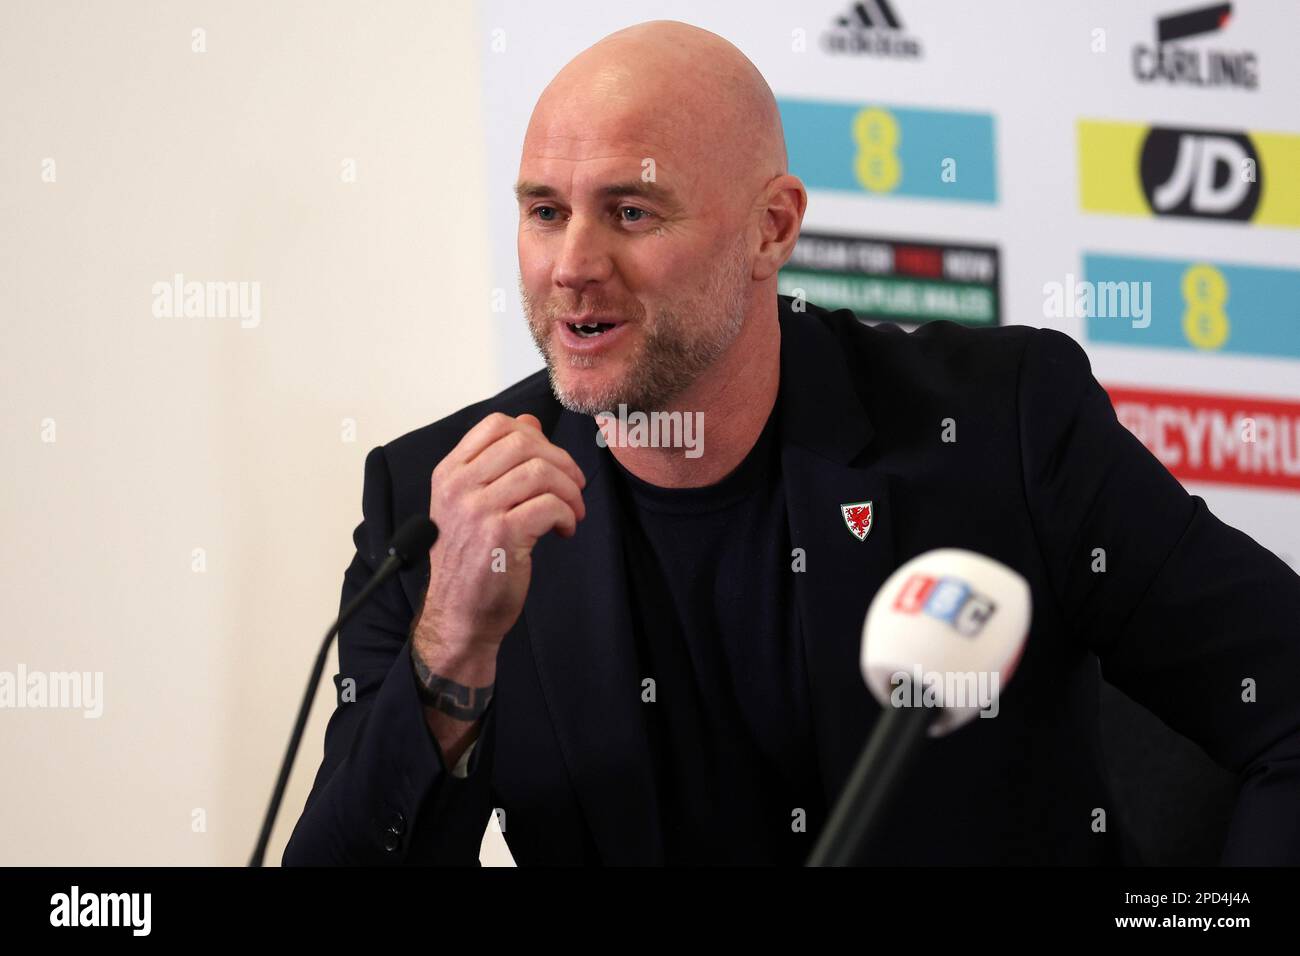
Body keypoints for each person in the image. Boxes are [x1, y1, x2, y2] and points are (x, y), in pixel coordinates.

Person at [282, 20, 1300, 865]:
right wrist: (452, 650)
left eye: (630, 211)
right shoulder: (439, 504)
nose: (572, 265)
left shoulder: (1003, 429)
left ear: (771, 229)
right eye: (545, 212)